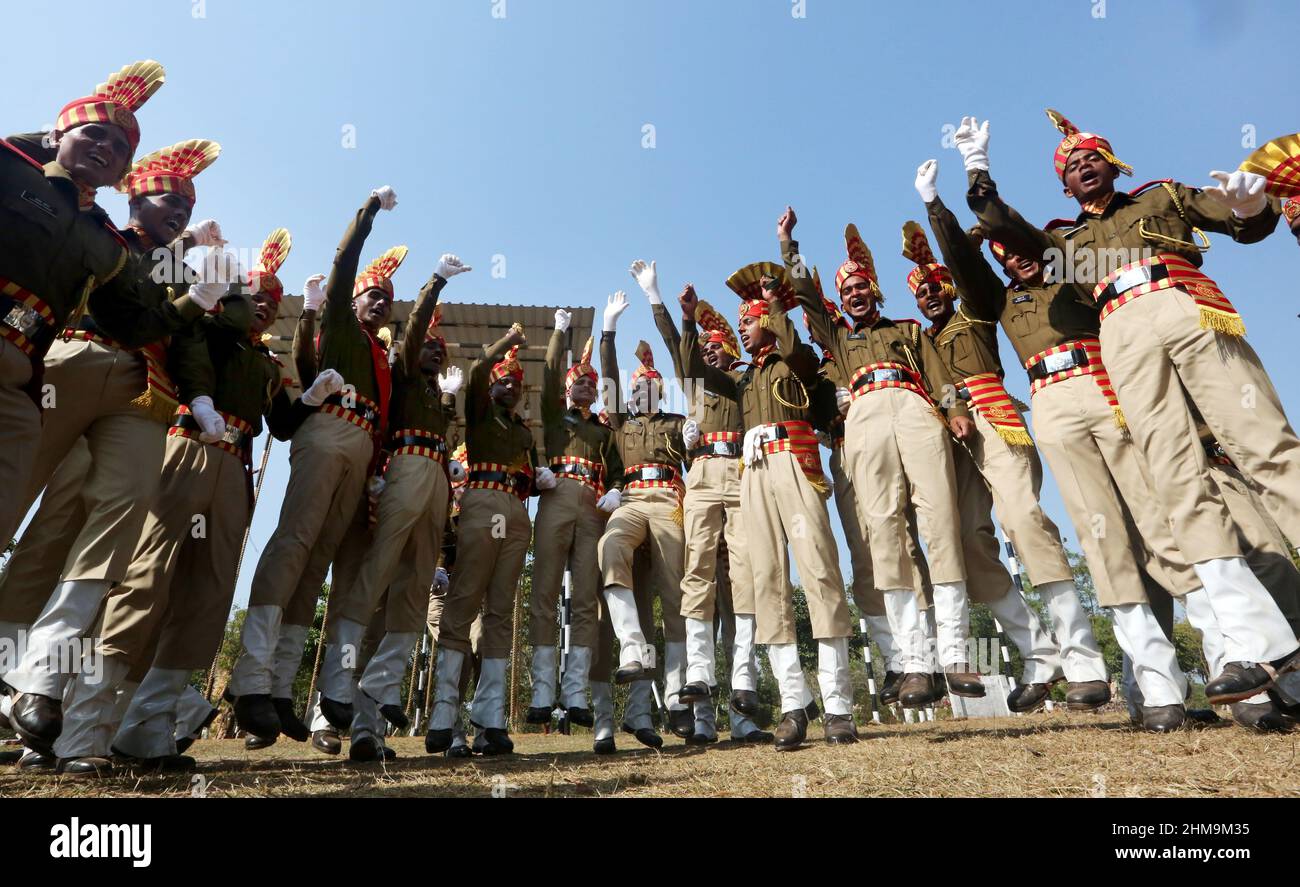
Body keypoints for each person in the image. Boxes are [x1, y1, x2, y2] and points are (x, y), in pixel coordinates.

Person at [957, 112, 1300, 707]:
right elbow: (1004, 225)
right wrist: (977, 171)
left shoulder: (1161, 196)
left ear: (1114, 165)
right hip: (1120, 332)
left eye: (1093, 157)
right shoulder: (1065, 245)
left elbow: (1241, 223)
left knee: (1266, 449)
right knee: (1174, 480)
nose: (1083, 167)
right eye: (1071, 166)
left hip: (1185, 304)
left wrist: (1251, 209)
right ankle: (1259, 640)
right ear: (1064, 186)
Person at [53, 229, 337, 775]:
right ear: (231, 296)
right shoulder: (204, 328)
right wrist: (214, 281)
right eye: (255, 295)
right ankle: (82, 728)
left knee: (208, 596)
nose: (264, 306)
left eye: (272, 302)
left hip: (235, 464)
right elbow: (189, 334)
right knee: (145, 579)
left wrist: (310, 398)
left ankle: (146, 730)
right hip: (186, 445)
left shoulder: (263, 361)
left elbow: (280, 425)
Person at [7, 136, 230, 760]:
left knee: (116, 524)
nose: (179, 211)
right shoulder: (101, 232)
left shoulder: (181, 273)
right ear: (135, 196)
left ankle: (40, 674)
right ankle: (7, 664)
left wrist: (200, 397)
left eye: (187, 207)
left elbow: (186, 340)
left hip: (143, 392)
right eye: (169, 199)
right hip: (69, 360)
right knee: (38, 521)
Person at [911, 162, 1111, 711]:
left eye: (936, 287)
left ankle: (1083, 658)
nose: (930, 297)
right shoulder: (919, 340)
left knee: (1022, 521)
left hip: (994, 417)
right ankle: (1038, 652)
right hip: (947, 438)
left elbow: (965, 268)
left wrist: (937, 208)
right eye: (921, 294)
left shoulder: (976, 313)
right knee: (970, 545)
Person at [779, 208, 982, 710]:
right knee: (884, 534)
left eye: (861, 287)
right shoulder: (838, 340)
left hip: (915, 411)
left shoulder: (909, 331)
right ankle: (914, 663)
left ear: (874, 289)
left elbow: (941, 378)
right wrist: (789, 246)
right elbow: (807, 297)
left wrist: (955, 409)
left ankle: (956, 654)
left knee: (941, 521)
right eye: (847, 290)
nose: (855, 294)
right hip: (865, 420)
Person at [226, 187, 401, 741]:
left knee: (318, 557)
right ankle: (249, 676)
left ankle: (279, 685)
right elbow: (343, 264)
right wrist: (366, 213)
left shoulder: (380, 355)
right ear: (353, 301)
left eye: (387, 299)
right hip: (326, 432)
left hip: (361, 445)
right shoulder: (343, 328)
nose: (380, 303)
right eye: (372, 295)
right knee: (294, 542)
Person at [0, 61, 166, 551]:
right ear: (55, 137)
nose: (106, 147)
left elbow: (131, 326)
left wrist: (196, 303)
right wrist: (43, 140)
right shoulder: (10, 168)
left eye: (120, 148)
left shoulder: (106, 242)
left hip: (18, 379)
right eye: (93, 133)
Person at [311, 253, 469, 752]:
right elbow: (416, 328)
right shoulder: (400, 371)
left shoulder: (435, 397)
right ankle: (336, 687)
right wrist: (435, 282)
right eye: (430, 348)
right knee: (375, 575)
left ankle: (376, 699)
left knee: (415, 586)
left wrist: (448, 401)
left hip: (435, 477)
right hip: (403, 465)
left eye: (441, 351)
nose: (435, 353)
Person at [726, 264, 855, 749]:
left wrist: (776, 302)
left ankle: (838, 706)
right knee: (767, 583)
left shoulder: (794, 362)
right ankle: (793, 704)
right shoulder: (743, 377)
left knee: (819, 570)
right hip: (754, 469)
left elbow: (799, 351)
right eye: (740, 321)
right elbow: (695, 367)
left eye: (748, 319)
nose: (742, 328)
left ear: (768, 319)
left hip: (796, 463)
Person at [426, 326, 548, 756]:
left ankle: (491, 718)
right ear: (492, 388)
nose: (510, 387)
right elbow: (478, 370)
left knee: (500, 613)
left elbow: (531, 475)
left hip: (515, 510)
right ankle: (444, 716)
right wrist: (508, 342)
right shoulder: (480, 413)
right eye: (504, 381)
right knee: (462, 604)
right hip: (482, 500)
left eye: (516, 383)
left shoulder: (523, 430)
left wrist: (541, 478)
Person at [595, 290, 688, 748]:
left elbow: (703, 452)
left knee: (675, 598)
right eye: (633, 389)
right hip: (631, 498)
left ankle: (674, 699)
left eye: (646, 387)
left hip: (669, 499)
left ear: (659, 389)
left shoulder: (676, 422)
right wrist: (608, 330)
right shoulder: (621, 424)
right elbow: (608, 375)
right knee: (610, 546)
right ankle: (631, 646)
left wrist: (698, 437)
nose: (637, 393)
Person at [525, 310, 622, 728]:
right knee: (544, 592)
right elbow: (548, 378)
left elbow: (616, 468)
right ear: (569, 387)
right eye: (580, 381)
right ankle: (542, 692)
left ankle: (576, 693)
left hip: (593, 505)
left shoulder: (603, 429)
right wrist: (559, 334)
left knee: (585, 598)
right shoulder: (555, 416)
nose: (587, 386)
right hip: (557, 494)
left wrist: (616, 489)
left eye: (592, 383)